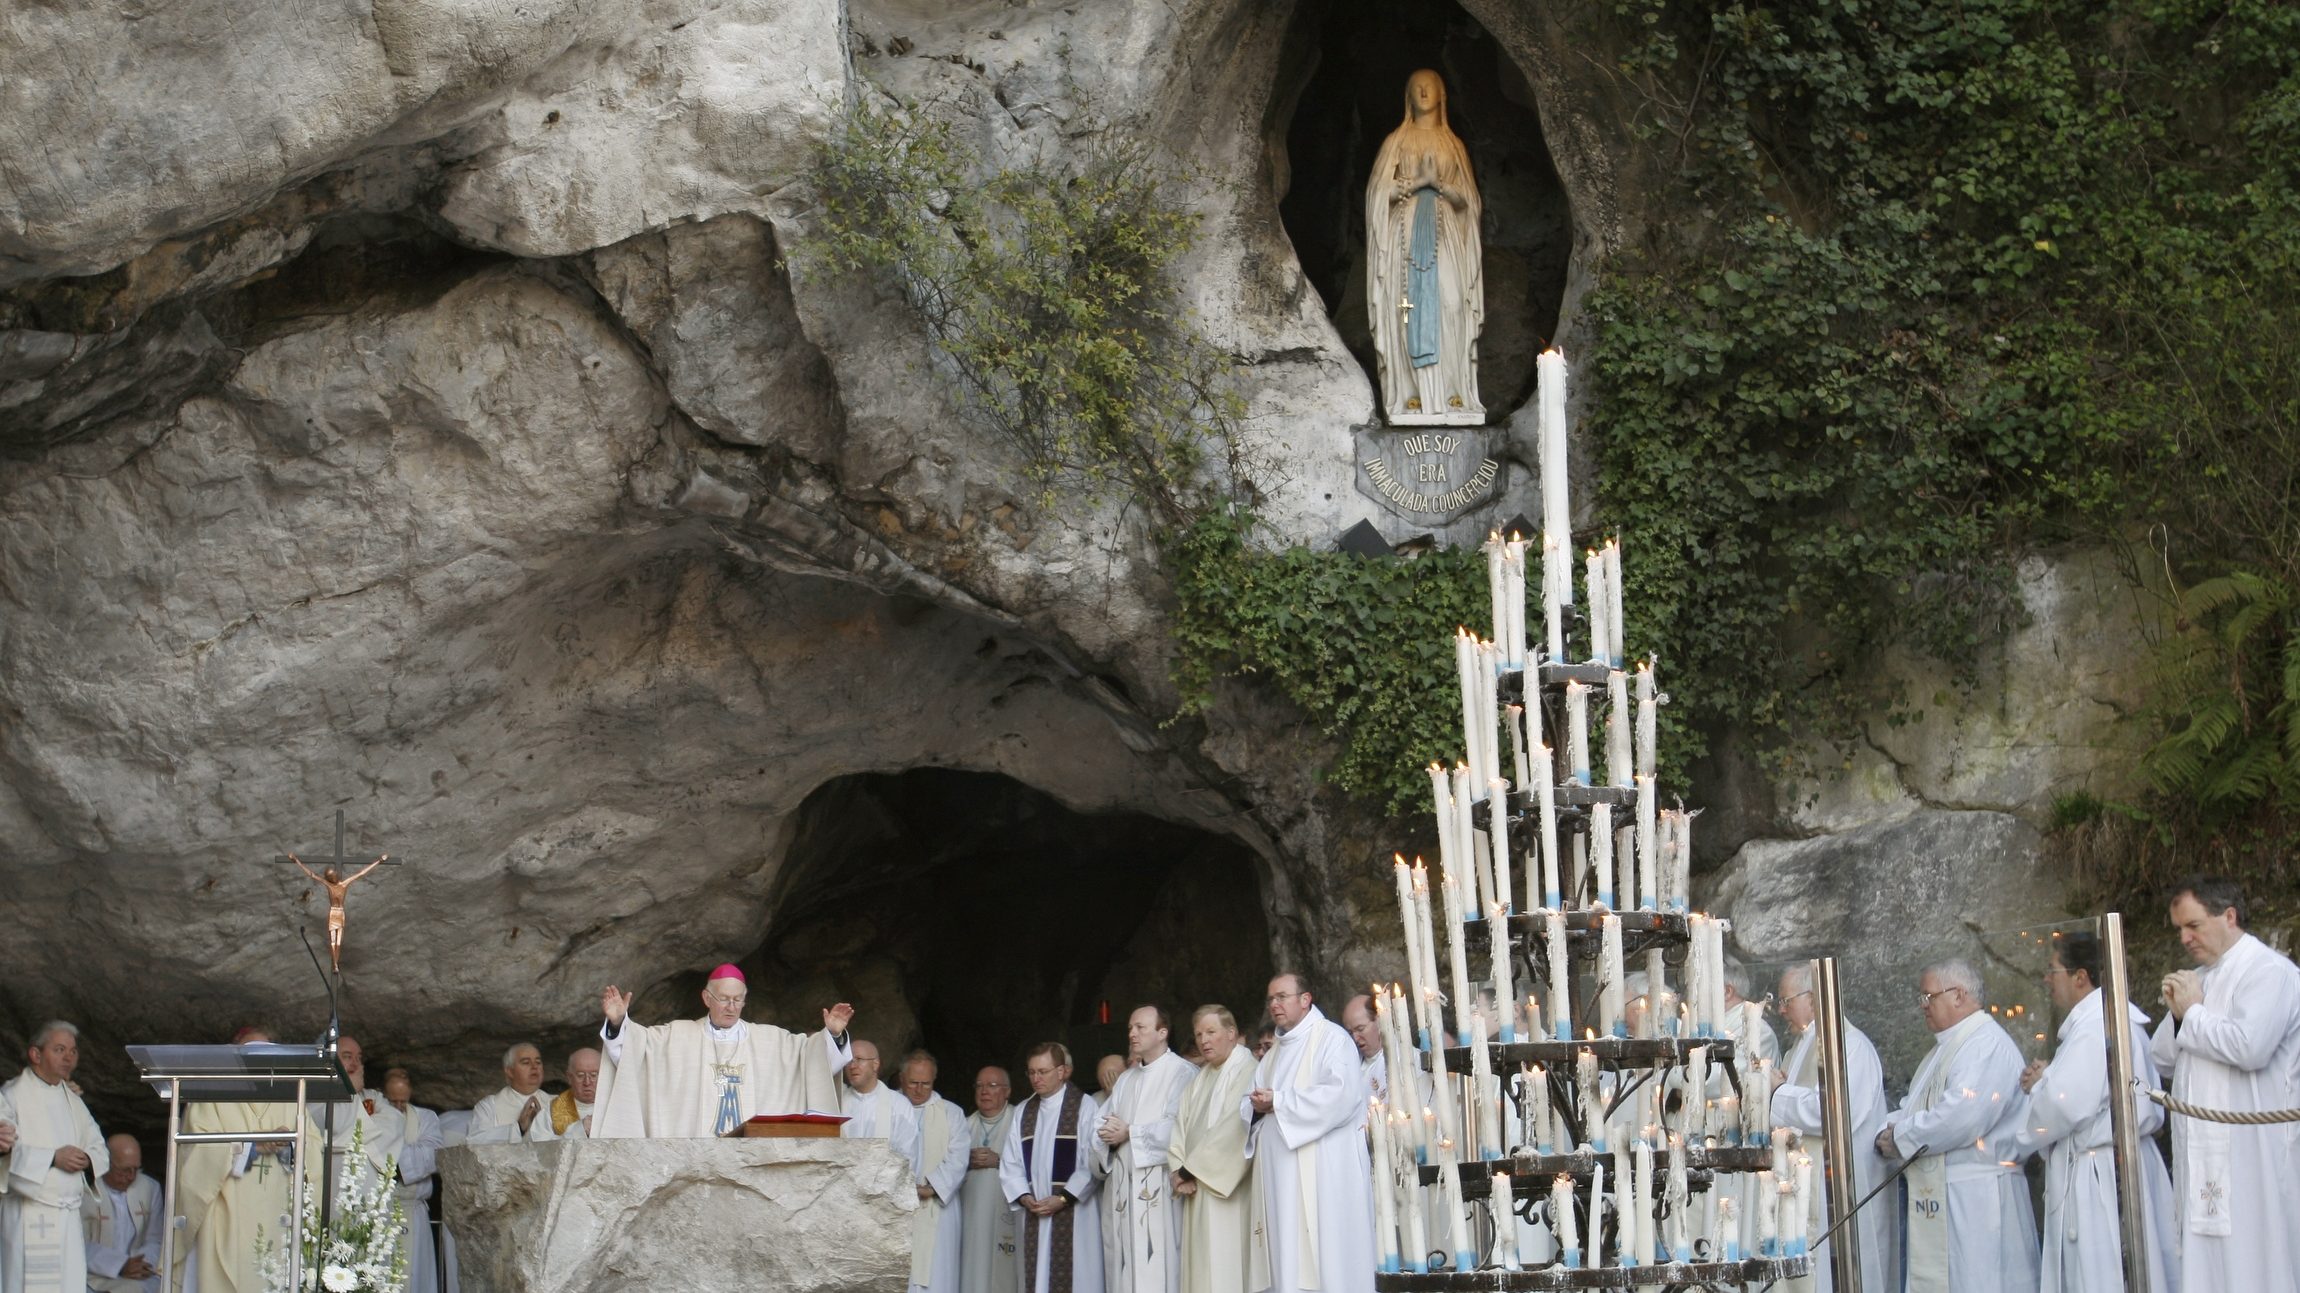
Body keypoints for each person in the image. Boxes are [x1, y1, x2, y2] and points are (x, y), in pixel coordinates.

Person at [2148, 876, 2300, 1292]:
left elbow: (2251, 1048)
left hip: (2256, 1151)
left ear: (2229, 916)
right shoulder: (2200, 978)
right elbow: (2161, 1058)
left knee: (2258, 1257)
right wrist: (2179, 1015)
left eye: (2193, 925)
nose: (2184, 938)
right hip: (2204, 1150)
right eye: (2179, 929)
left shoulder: (2269, 972)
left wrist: (2193, 1014)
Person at [2014, 931, 2179, 1293]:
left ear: (2080, 977)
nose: (2046, 979)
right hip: (2120, 1160)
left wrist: (2039, 1089)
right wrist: (2050, 1076)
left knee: (2104, 1274)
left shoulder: (2093, 1029)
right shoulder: (2107, 1020)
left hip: (2102, 1173)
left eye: (2052, 970)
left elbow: (2063, 1105)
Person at [1875, 960, 2038, 1293]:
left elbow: (1962, 1116)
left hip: (1979, 1196)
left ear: (1959, 995)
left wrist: (1901, 1137)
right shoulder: (1947, 1048)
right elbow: (1916, 1107)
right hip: (1949, 1194)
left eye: (1929, 997)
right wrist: (1885, 1131)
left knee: (1979, 1281)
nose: (1923, 1005)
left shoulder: (1986, 1044)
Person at [593, 963, 854, 1137]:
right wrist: (618, 1022)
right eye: (724, 999)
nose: (731, 1007)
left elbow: (813, 1063)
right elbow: (634, 1054)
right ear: (707, 998)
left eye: (738, 999)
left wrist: (832, 1035)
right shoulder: (676, 1036)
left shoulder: (772, 1041)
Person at [1363, 68, 1484, 424]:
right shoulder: (1396, 142)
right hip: (1404, 237)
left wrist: (1440, 185)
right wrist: (1418, 183)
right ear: (1408, 96)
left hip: (1446, 238)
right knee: (1406, 309)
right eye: (1416, 87)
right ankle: (1412, 396)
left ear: (1442, 94)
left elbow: (1470, 202)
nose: (1423, 91)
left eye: (1430, 86)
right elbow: (1376, 195)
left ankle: (1452, 394)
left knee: (1451, 304)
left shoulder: (1453, 145)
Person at [1241, 974, 1373, 1293]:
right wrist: (1257, 1107)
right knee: (1287, 1256)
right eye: (1270, 999)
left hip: (1324, 1175)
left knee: (1327, 1258)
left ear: (1305, 999)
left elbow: (1341, 1096)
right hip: (1280, 1179)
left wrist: (1280, 1101)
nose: (1274, 1004)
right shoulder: (1273, 1054)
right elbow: (1249, 1102)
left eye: (1282, 997)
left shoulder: (1332, 1039)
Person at [1768, 964, 1896, 1293]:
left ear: (1813, 999)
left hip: (1842, 1187)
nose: (1781, 1010)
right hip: (1807, 1186)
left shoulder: (1849, 1046)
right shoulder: (1799, 1047)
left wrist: (1777, 1093)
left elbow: (1832, 1111)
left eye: (1786, 1001)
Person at [175, 1026, 298, 1293]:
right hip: (225, 1214)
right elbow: (195, 1152)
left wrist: (288, 1144)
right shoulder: (211, 1096)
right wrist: (251, 1146)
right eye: (249, 1052)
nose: (257, 1060)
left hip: (277, 1216)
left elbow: (312, 1148)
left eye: (264, 1053)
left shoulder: (291, 1096)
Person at [1, 1021, 109, 1293]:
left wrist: (87, 1159)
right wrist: (52, 1158)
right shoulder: (11, 1096)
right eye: (59, 1049)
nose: (69, 1057)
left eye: (73, 1051)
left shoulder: (73, 1100)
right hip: (28, 1214)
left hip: (68, 1218)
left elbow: (98, 1146)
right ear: (36, 1054)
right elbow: (4, 1150)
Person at [1093, 1007, 1195, 1293]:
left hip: (1160, 1191)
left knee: (1160, 1265)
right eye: (1130, 1028)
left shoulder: (1182, 1073)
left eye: (1140, 1027)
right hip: (1124, 1192)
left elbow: (1182, 1128)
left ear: (1162, 1033)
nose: (1132, 1034)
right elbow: (1100, 1123)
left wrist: (1130, 1132)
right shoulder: (1127, 1079)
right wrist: (1109, 1136)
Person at [1000, 1042, 1103, 1293]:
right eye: (1031, 1072)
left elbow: (1092, 1160)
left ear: (1062, 1071)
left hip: (1075, 1214)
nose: (1036, 1078)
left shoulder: (1084, 1106)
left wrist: (1064, 1198)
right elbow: (1011, 1161)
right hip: (1034, 1211)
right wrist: (1023, 1196)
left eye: (1042, 1071)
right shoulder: (1024, 1111)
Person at [1167, 1006, 1256, 1293]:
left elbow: (1235, 1127)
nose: (1203, 1040)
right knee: (1200, 1271)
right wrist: (1177, 1170)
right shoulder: (1200, 1078)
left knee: (1225, 1267)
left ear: (1231, 1033)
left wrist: (1188, 1170)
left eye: (1210, 1032)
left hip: (1226, 1190)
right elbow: (1180, 1126)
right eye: (1198, 1035)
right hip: (1194, 1188)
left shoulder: (1248, 1070)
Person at [900, 1053, 970, 1293]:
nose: (919, 1090)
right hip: (897, 1206)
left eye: (926, 1083)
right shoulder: (890, 1108)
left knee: (937, 1274)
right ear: (902, 1078)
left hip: (938, 1207)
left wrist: (932, 1188)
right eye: (913, 1083)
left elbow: (958, 1157)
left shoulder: (951, 1113)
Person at [382, 1068, 457, 1293]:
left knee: (415, 1278)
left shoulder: (425, 1118)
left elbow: (432, 1155)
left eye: (403, 1102)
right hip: (382, 1213)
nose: (398, 1108)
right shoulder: (373, 1117)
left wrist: (393, 1160)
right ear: (382, 1095)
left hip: (414, 1212)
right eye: (392, 1102)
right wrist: (407, 1153)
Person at [307, 1034, 405, 1190]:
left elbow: (396, 1122)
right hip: (334, 1181)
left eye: (359, 1058)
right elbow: (334, 1123)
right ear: (330, 1061)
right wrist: (350, 1090)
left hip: (370, 1185)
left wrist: (347, 1138)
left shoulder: (372, 1097)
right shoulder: (316, 1096)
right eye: (347, 1057)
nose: (355, 1063)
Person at [959, 1066, 1020, 1293]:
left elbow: (1036, 1167)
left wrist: (999, 1161)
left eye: (992, 1086)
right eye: (980, 1086)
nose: (984, 1091)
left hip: (1006, 1216)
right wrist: (964, 1161)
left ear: (1007, 1091)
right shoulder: (964, 1125)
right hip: (972, 1216)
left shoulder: (1020, 1121)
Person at [85, 1134, 163, 1293]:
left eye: (136, 1169)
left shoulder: (150, 1187)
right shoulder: (85, 1190)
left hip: (139, 1274)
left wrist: (140, 1264)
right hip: (93, 1274)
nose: (132, 1176)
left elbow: (156, 1239)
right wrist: (119, 1264)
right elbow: (78, 1243)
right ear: (107, 1163)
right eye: (125, 1170)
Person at [840, 1040, 920, 1159]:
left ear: (875, 1064)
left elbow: (908, 1153)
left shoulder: (899, 1105)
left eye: (859, 1059)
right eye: (849, 1061)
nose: (852, 1066)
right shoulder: (837, 1102)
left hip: (886, 1170)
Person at [467, 1043, 559, 1144]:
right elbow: (473, 1142)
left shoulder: (559, 1104)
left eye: (538, 1062)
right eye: (526, 1062)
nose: (534, 1067)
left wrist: (544, 1126)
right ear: (510, 1071)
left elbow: (571, 1142)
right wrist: (518, 1128)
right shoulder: (488, 1106)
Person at [1339, 995, 1386, 1104]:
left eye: (1360, 1029)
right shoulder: (1346, 1062)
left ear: (1379, 1020)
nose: (1355, 1038)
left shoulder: (1404, 1060)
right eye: (1350, 1032)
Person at [552, 1048, 601, 1139]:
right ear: (569, 1077)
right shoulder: (549, 1113)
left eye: (594, 1075)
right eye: (580, 1075)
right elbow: (534, 1145)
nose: (587, 1082)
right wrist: (579, 1131)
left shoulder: (617, 1108)